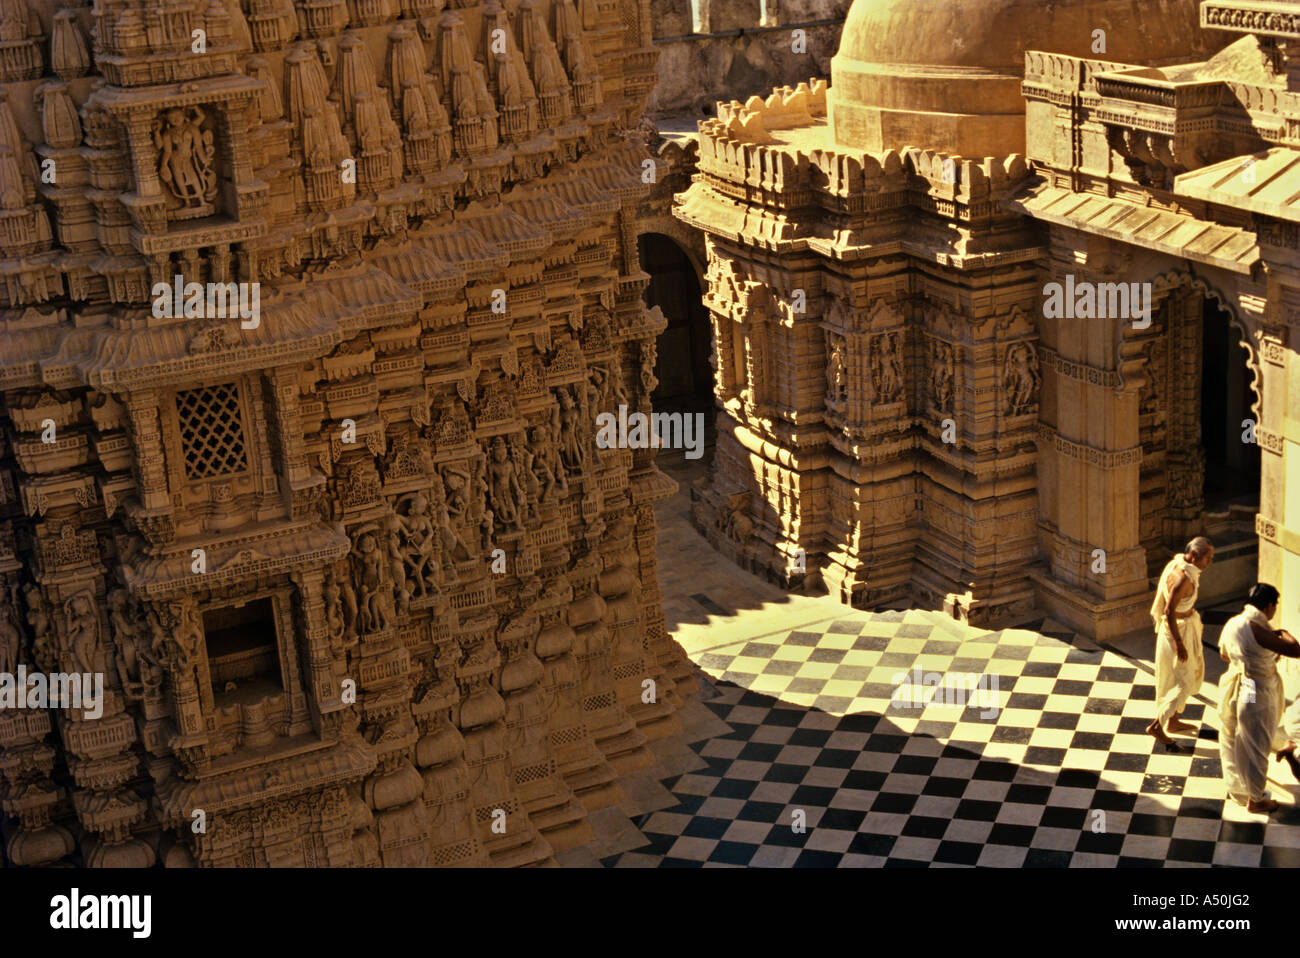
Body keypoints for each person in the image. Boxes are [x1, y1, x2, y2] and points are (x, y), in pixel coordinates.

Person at [1218, 583, 1300, 813]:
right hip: (1257, 690)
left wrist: (1250, 662)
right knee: (1257, 744)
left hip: (1246, 684)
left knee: (1242, 739)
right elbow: (1295, 649)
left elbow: (1224, 654)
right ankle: (1256, 799)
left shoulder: (1233, 623)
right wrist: (1282, 632)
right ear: (1269, 605)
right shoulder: (1255, 628)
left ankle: (1244, 788)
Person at [1146, 537, 1214, 748]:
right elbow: (1168, 610)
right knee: (1182, 681)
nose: (1209, 562)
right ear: (1194, 556)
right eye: (1207, 557)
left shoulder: (1177, 563)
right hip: (1178, 632)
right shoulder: (1183, 577)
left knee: (1176, 677)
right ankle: (1157, 726)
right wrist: (1179, 643)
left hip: (1183, 628)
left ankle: (1173, 722)